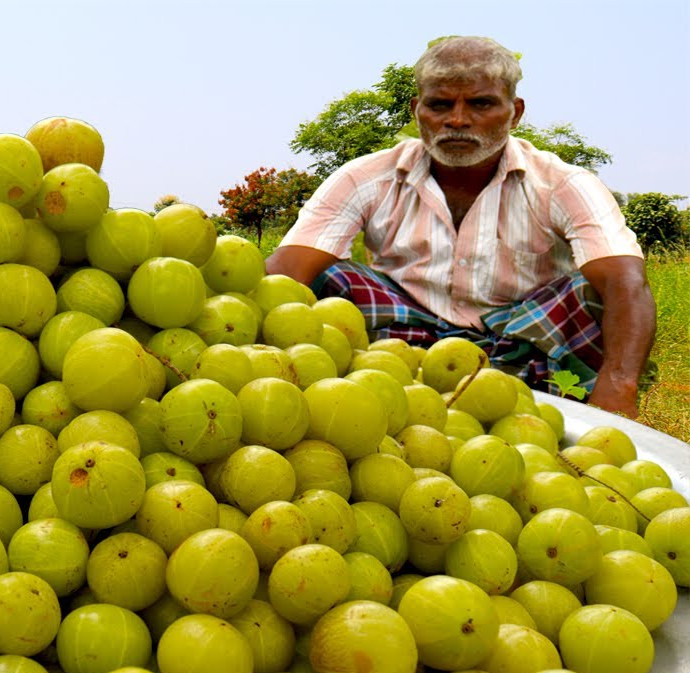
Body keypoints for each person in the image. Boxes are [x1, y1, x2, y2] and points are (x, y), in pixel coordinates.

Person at [265, 36, 655, 419]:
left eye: (481, 103)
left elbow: (626, 282)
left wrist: (618, 387)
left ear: (515, 112)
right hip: (400, 343)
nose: (457, 120)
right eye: (440, 105)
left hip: (525, 343)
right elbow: (285, 272)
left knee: (597, 291)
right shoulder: (365, 177)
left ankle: (565, 403)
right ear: (417, 110)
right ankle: (357, 396)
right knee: (329, 280)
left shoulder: (563, 183)